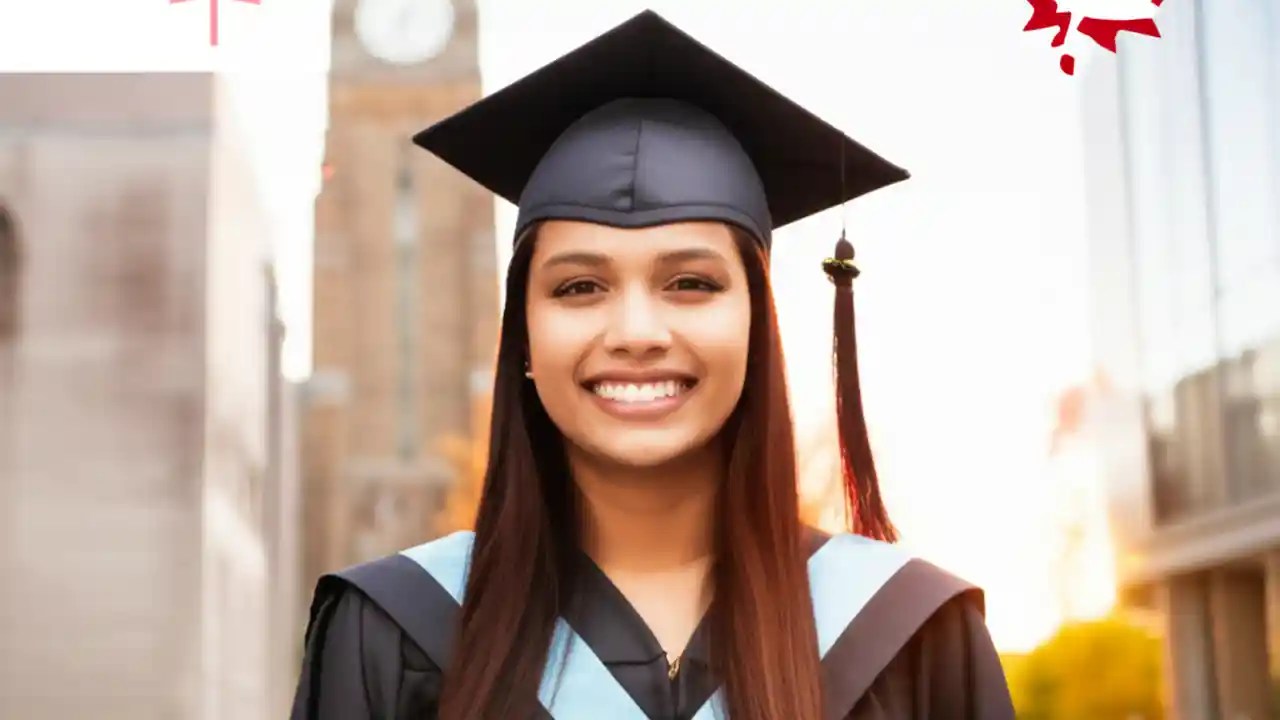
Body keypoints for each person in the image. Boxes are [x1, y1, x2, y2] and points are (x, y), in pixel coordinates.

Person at [290, 10, 1014, 720]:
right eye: (580, 287)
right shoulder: (390, 634)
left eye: (690, 283)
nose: (636, 331)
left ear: (759, 323)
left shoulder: (912, 639)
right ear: (523, 341)